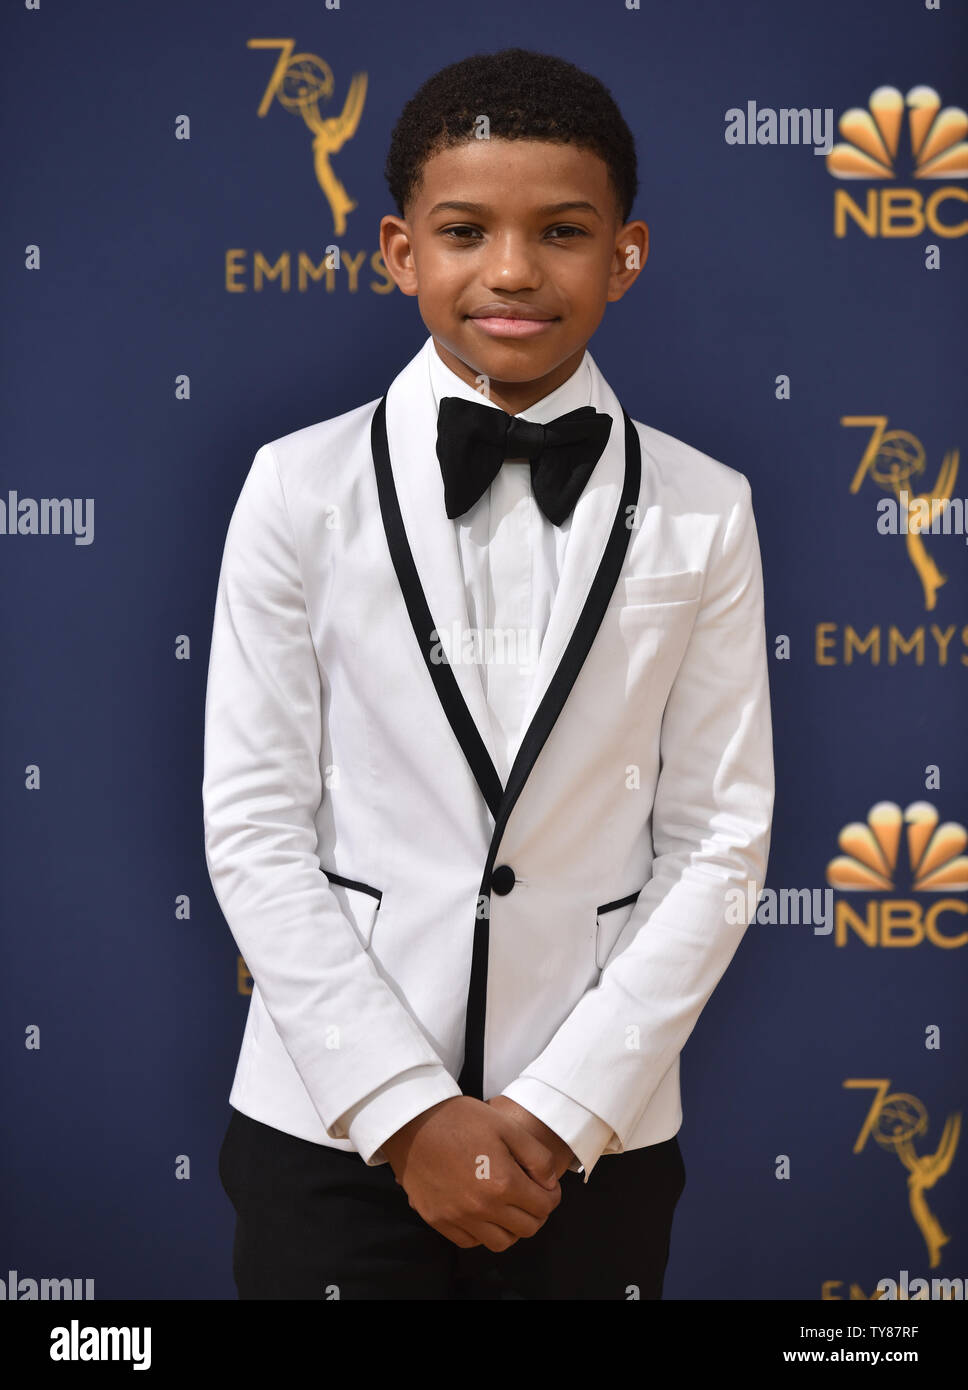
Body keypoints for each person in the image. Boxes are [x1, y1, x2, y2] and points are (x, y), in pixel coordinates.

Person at [203, 46, 774, 1300]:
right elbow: (253, 825)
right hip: (330, 1129)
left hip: (593, 1141)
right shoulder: (296, 488)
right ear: (401, 252)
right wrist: (407, 1112)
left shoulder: (705, 510)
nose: (510, 270)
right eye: (465, 230)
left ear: (623, 255)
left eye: (560, 231)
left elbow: (720, 836)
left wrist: (567, 1108)